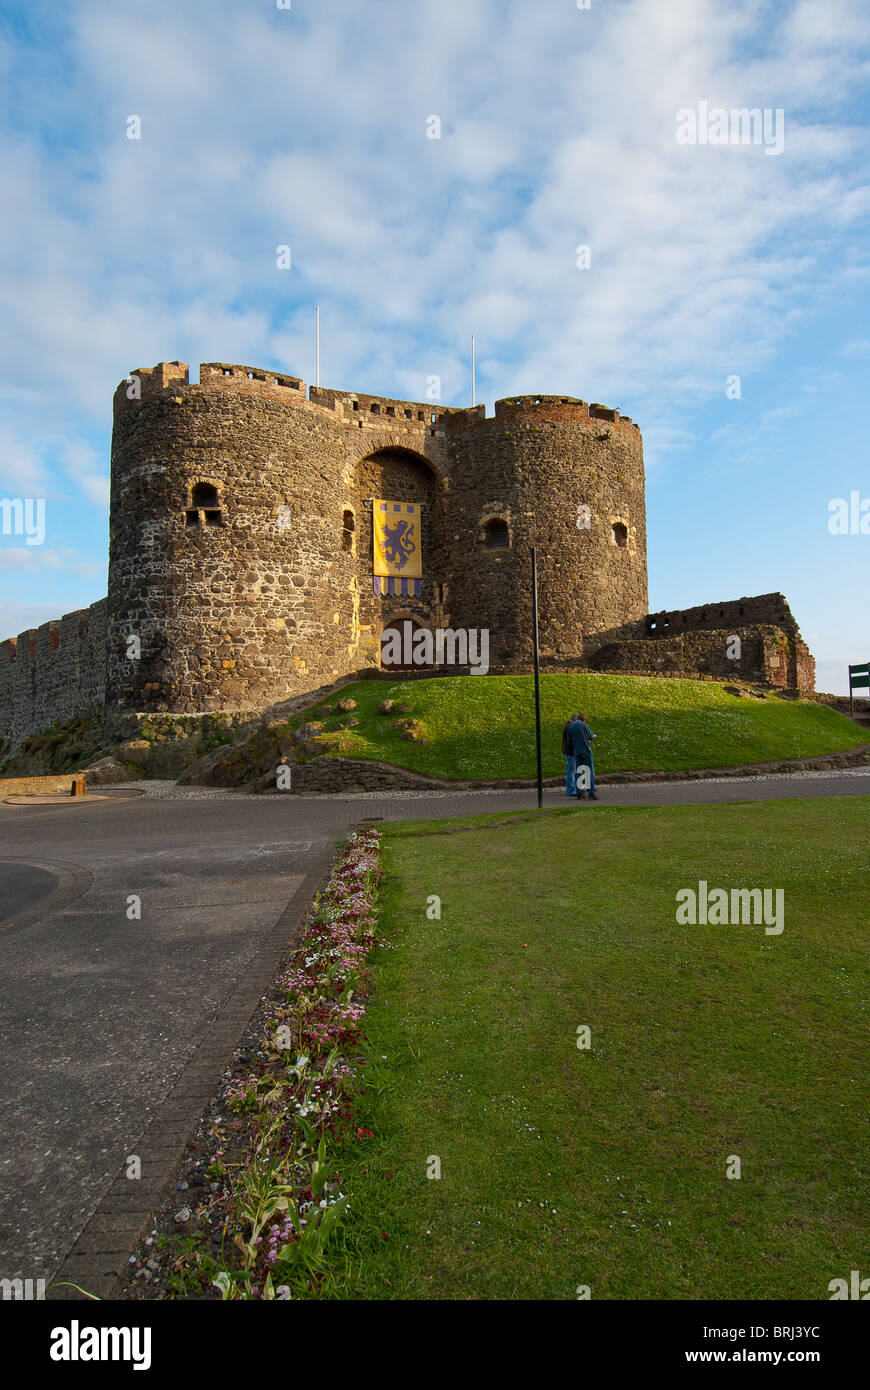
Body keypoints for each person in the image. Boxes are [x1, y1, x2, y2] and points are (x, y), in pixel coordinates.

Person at [568, 713, 599, 800]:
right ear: (584, 720)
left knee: (579, 771)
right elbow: (590, 737)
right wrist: (593, 736)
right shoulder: (584, 725)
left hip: (577, 752)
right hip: (586, 751)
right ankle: (591, 792)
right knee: (589, 772)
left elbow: (569, 741)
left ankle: (579, 792)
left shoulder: (571, 727)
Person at [562, 713, 579, 797]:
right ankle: (570, 790)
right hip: (570, 752)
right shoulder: (569, 727)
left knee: (571, 770)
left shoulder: (568, 726)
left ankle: (572, 789)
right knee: (571, 771)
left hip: (568, 751)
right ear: (574, 720)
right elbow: (570, 741)